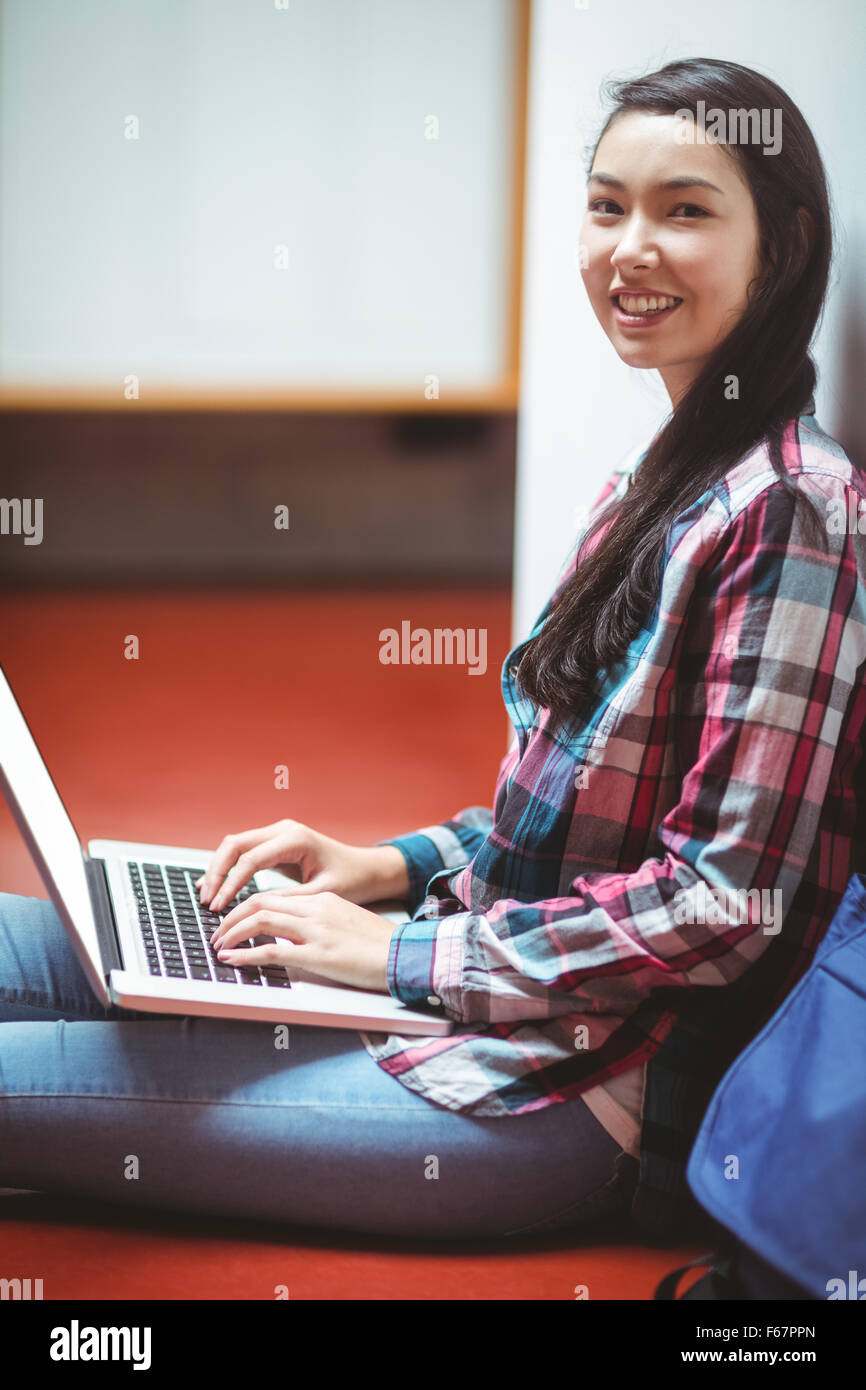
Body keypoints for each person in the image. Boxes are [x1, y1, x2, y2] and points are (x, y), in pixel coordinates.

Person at [2, 56, 864, 1245]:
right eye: (607, 204)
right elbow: (575, 819)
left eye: (684, 210)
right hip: (467, 996)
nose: (629, 247)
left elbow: (719, 903)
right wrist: (385, 866)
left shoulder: (795, 512)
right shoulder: (659, 481)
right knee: (30, 940)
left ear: (781, 245)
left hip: (557, 1095)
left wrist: (398, 956)